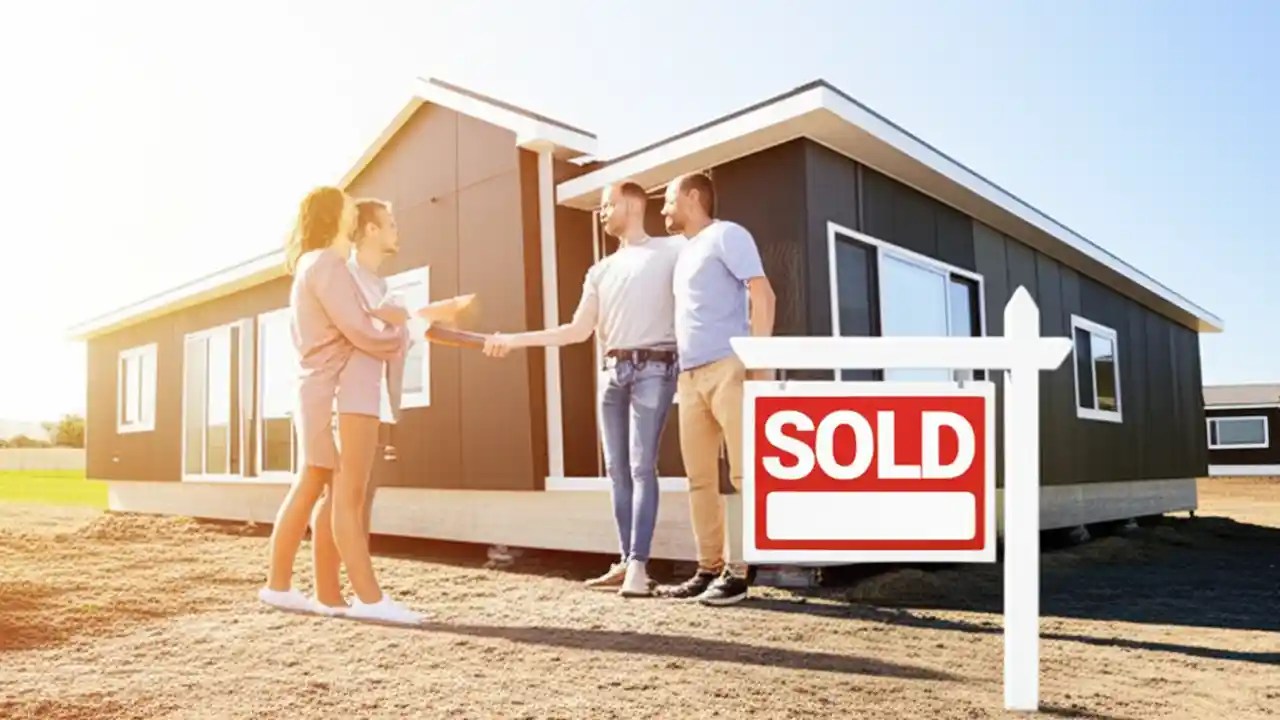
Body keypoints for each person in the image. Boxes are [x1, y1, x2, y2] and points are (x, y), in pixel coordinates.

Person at [482, 180, 682, 598]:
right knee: (618, 471)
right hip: (612, 373)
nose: (602, 212)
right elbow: (575, 331)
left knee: (643, 467)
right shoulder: (600, 270)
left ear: (632, 203)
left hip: (655, 369)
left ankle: (639, 570)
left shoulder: (673, 250)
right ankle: (627, 560)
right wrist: (514, 340)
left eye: (608, 205)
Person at [258, 185, 422, 625]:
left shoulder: (317, 266)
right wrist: (399, 336)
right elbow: (359, 330)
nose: (356, 214)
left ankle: (302, 591)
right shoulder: (328, 265)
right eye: (351, 209)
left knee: (315, 486)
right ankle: (369, 598)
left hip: (321, 390)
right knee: (344, 494)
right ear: (337, 217)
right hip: (335, 393)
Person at [653, 172, 775, 607]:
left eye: (668, 201)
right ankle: (707, 568)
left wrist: (760, 365)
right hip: (690, 377)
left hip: (729, 367)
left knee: (743, 474)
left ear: (692, 197)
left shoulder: (727, 235)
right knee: (700, 479)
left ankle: (739, 571)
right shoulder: (684, 253)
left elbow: (763, 295)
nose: (664, 209)